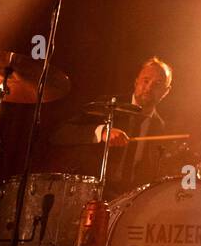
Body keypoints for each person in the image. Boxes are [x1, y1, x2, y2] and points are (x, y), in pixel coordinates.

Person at [47, 57, 177, 195]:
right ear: (136, 81)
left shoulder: (160, 127)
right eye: (146, 80)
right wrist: (102, 132)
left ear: (166, 91)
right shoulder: (106, 105)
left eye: (157, 83)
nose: (149, 87)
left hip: (127, 199)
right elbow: (59, 134)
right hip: (89, 192)